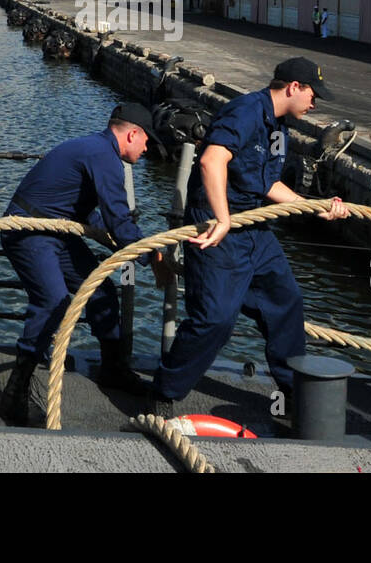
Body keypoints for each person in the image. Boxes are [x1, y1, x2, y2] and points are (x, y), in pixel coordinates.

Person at [149, 57, 348, 418]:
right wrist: (223, 219)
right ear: (293, 88)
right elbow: (211, 162)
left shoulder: (278, 127)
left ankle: (292, 395)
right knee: (215, 319)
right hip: (218, 226)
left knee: (286, 303)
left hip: (254, 229)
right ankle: (165, 392)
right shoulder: (245, 111)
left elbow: (266, 182)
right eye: (313, 95)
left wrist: (313, 206)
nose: (314, 104)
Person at [0, 102, 166, 425]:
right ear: (132, 134)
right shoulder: (105, 157)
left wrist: (113, 235)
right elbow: (120, 223)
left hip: (55, 231)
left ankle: (112, 368)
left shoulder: (95, 148)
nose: (147, 150)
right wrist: (152, 257)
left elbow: (80, 206)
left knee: (100, 292)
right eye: (147, 141)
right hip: (29, 230)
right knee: (52, 301)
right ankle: (14, 394)